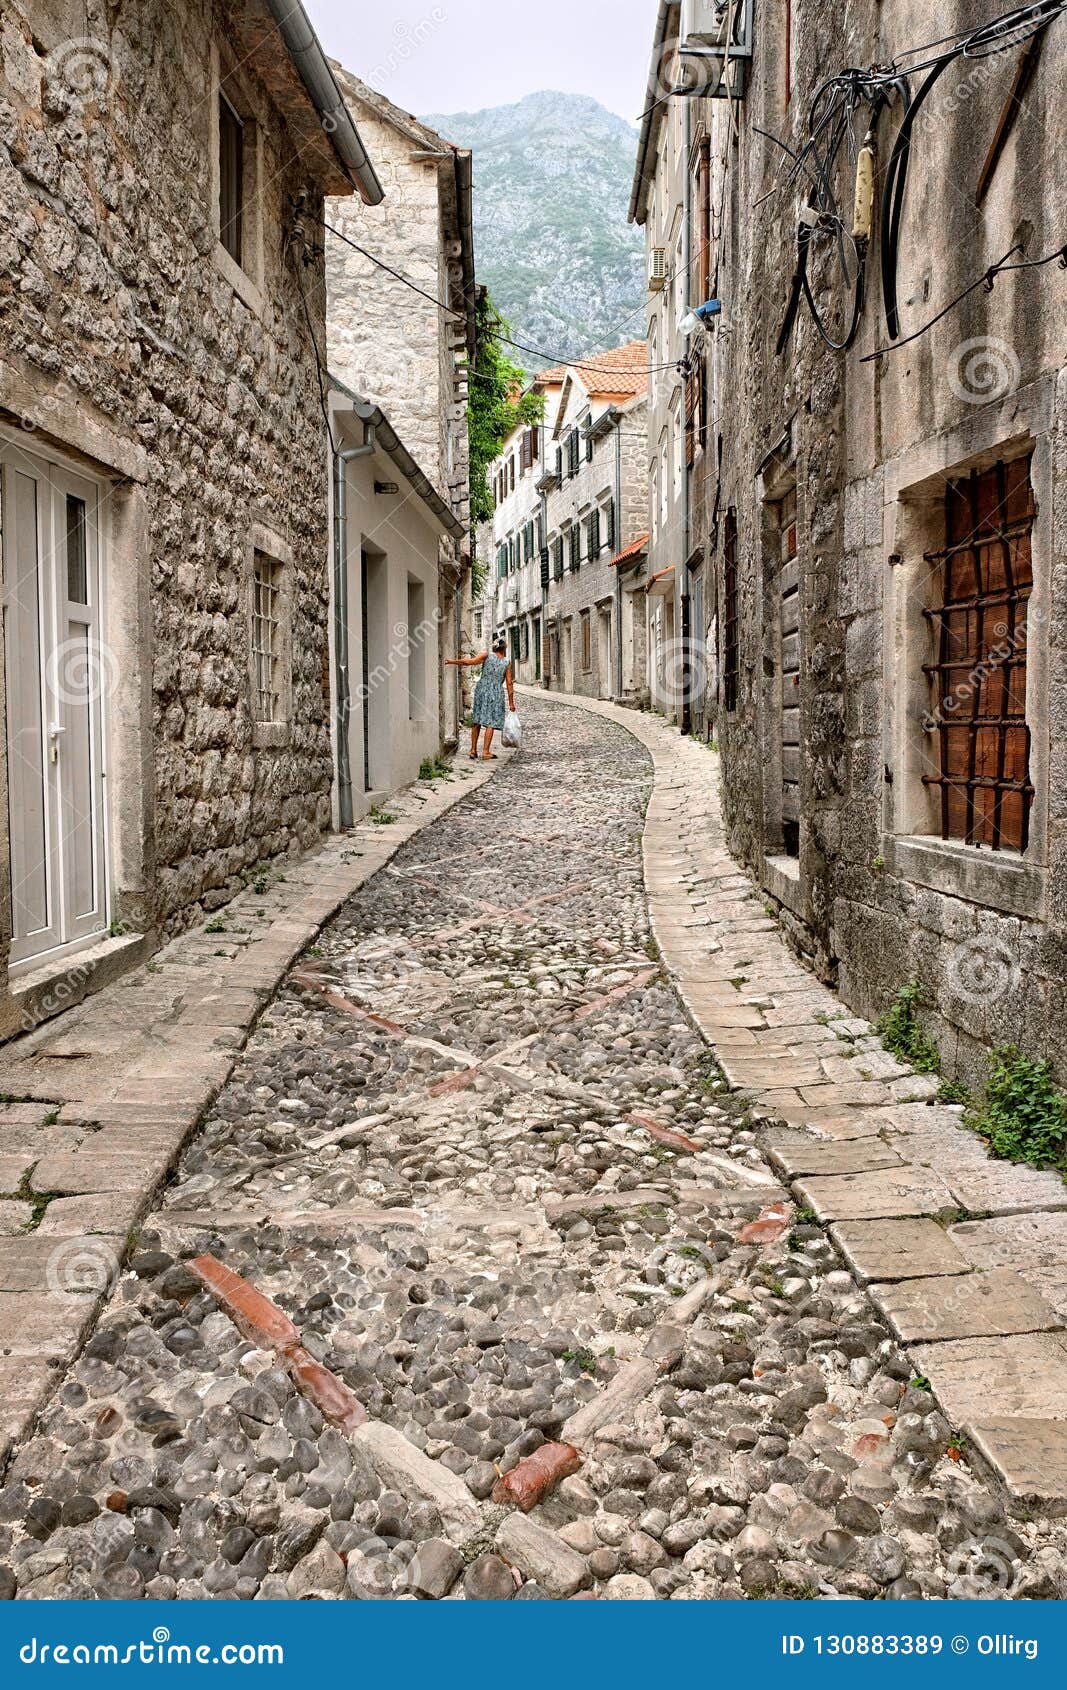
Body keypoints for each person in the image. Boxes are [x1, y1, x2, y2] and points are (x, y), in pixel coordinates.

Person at [448, 635, 515, 759]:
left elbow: (469, 662)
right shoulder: (506, 662)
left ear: (494, 647)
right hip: (496, 693)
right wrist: (511, 703)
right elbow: (509, 683)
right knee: (490, 722)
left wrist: (452, 661)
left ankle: (473, 750)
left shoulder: (486, 655)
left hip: (482, 689)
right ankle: (485, 752)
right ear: (504, 649)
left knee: (477, 718)